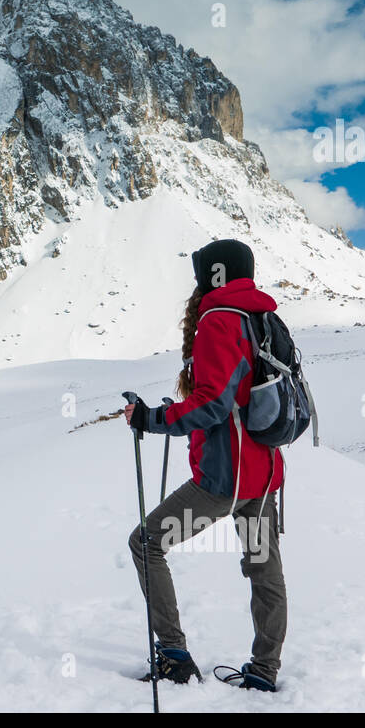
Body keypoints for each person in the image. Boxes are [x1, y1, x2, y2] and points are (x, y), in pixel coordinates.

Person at [122, 238, 287, 691]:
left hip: (223, 479)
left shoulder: (218, 320)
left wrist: (153, 419)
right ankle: (265, 670)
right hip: (264, 472)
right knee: (264, 567)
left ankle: (174, 656)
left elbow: (213, 403)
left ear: (215, 274)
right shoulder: (264, 317)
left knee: (147, 542)